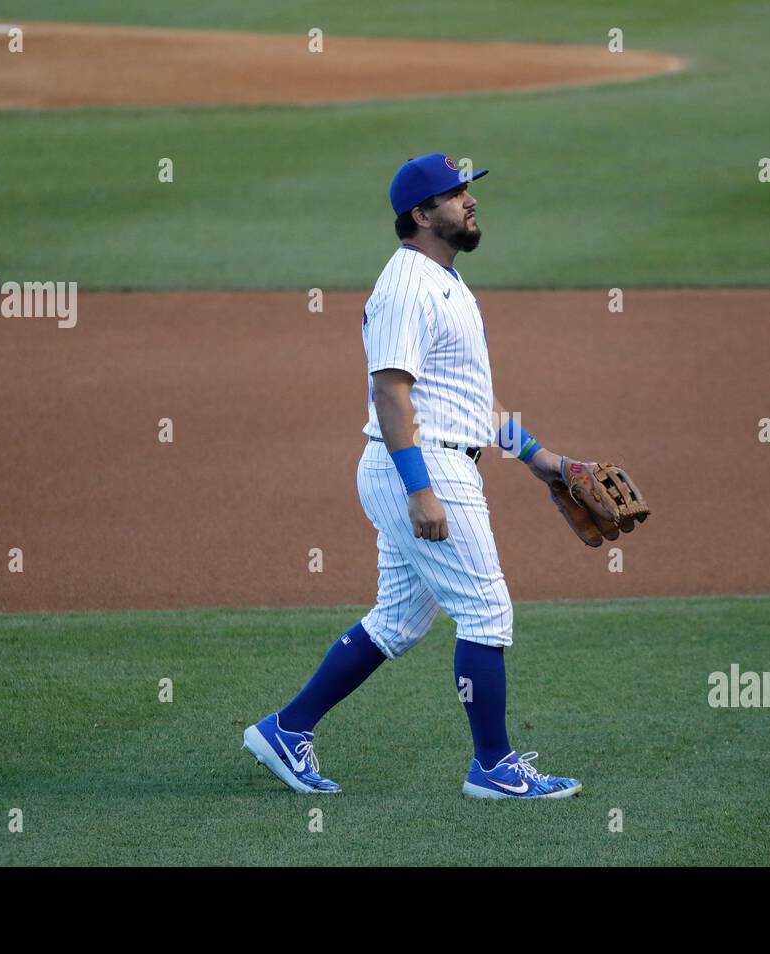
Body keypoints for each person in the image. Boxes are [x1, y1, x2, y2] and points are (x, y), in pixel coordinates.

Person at [244, 153, 590, 799]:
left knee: (397, 622)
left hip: (438, 458)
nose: (469, 200)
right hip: (424, 466)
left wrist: (545, 462)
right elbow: (391, 394)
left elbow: (466, 404)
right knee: (487, 611)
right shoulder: (405, 287)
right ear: (421, 214)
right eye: (455, 193)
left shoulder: (448, 282)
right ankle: (493, 766)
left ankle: (287, 730)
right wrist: (421, 490)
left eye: (468, 190)